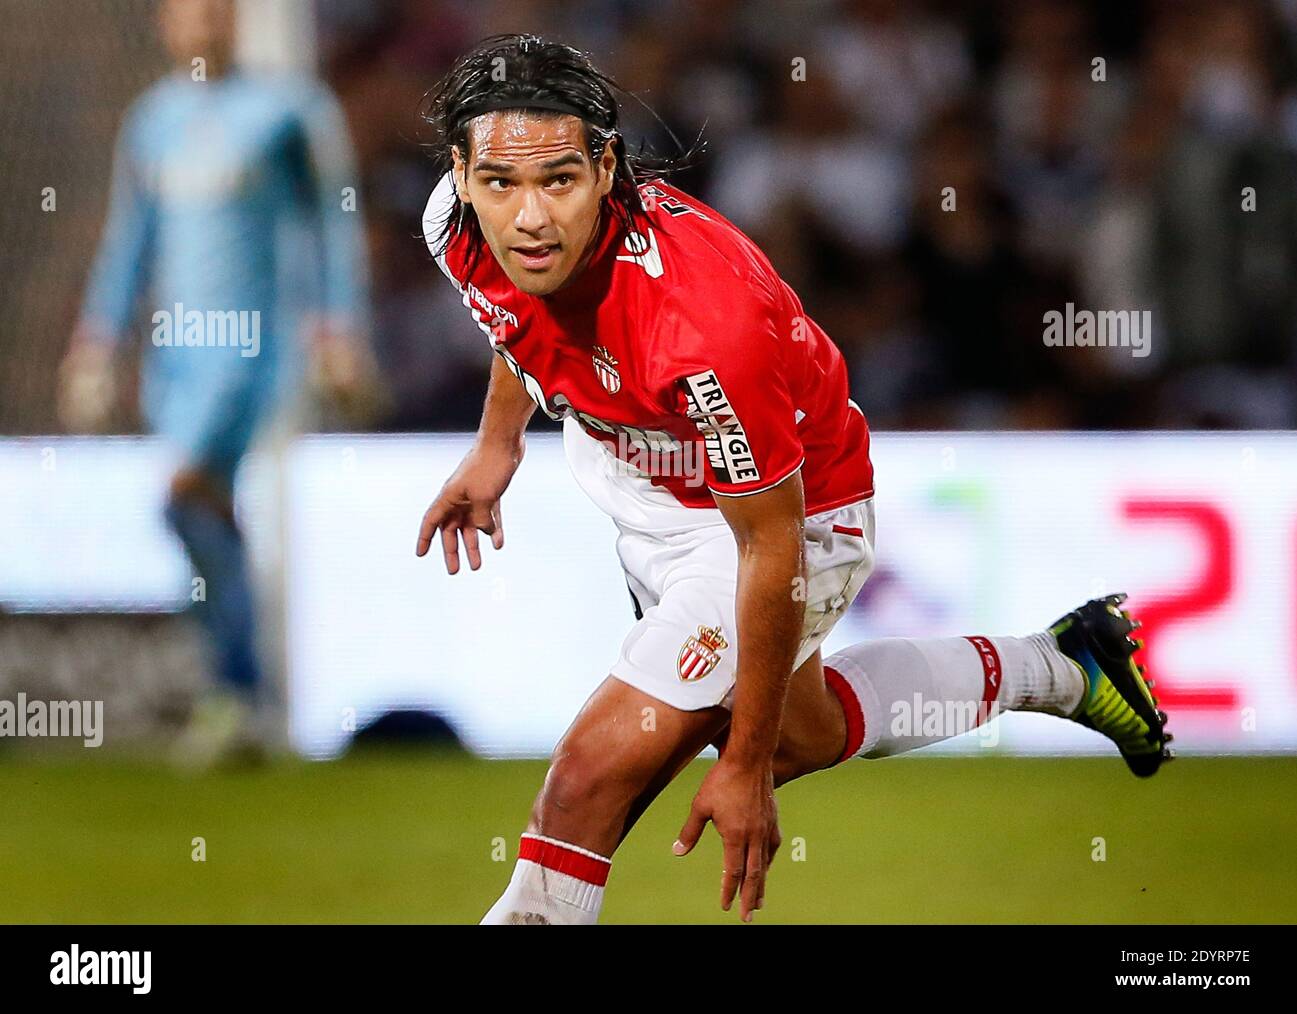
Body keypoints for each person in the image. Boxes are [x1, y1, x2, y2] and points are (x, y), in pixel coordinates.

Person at [415, 34, 1172, 925]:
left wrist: (739, 769)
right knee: (800, 731)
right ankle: (1070, 665)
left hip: (787, 516)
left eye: (561, 182)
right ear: (462, 175)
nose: (530, 218)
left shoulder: (700, 326)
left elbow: (770, 545)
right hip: (645, 485)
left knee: (588, 781)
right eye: (501, 183)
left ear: (608, 166)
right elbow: (521, 309)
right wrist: (498, 444)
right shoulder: (454, 225)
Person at [59, 0, 375, 766]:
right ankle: (247, 700)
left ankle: (236, 691)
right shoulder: (153, 119)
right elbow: (129, 236)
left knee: (184, 496)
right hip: (176, 361)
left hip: (252, 352)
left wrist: (338, 329)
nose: (199, 24)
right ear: (167, 24)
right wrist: (96, 342)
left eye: (213, 10)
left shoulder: (288, 111)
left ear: (234, 20)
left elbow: (332, 222)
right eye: (185, 11)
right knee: (204, 515)